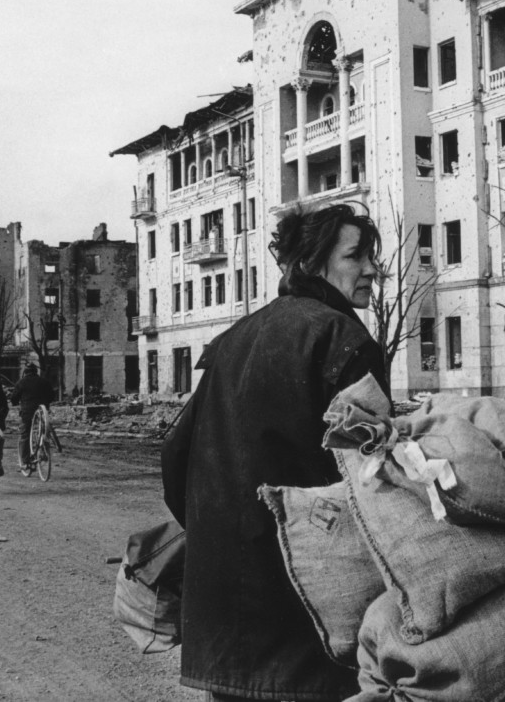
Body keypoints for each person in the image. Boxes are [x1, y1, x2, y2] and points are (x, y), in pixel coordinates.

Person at [161, 202, 389, 702]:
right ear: (311, 264)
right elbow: (374, 478)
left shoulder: (230, 340)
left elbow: (175, 460)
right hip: (306, 613)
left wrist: (221, 533)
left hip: (223, 611)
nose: (372, 268)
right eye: (356, 256)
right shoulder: (342, 338)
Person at [9, 363, 56, 477]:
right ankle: (45, 445)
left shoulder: (21, 382)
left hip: (28, 412)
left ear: (25, 372)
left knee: (25, 435)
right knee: (44, 430)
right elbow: (52, 396)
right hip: (42, 411)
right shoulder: (44, 381)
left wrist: (16, 402)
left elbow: (14, 399)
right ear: (36, 372)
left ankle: (25, 462)